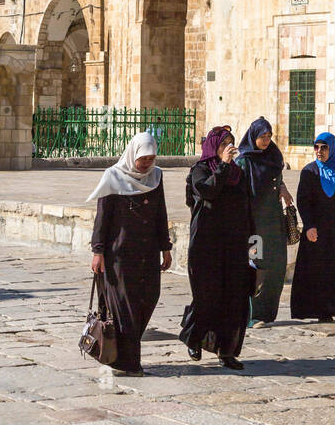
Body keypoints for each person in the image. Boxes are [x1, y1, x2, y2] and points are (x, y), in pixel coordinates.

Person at [89, 131, 172, 377]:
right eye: (143, 158)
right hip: (119, 255)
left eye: (151, 158)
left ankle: (122, 354)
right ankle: (128, 363)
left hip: (146, 252)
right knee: (125, 308)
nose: (147, 163)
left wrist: (165, 247)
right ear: (133, 154)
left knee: (148, 298)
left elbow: (160, 213)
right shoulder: (113, 177)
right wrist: (98, 251)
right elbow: (102, 219)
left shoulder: (156, 177)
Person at [179, 125, 253, 370]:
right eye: (223, 144)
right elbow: (207, 191)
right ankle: (193, 337)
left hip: (235, 244)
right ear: (214, 147)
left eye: (230, 143)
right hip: (206, 245)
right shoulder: (199, 170)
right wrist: (222, 165)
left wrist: (255, 248)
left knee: (235, 299)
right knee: (207, 297)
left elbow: (247, 208)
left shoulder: (238, 174)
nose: (228, 148)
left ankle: (227, 351)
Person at [290, 132, 335, 323]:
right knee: (321, 270)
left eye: (324, 147)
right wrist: (309, 226)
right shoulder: (310, 171)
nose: (319, 151)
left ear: (332, 148)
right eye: (316, 147)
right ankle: (323, 311)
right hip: (320, 230)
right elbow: (303, 201)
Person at [236, 117, 294, 327]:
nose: (266, 140)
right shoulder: (244, 162)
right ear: (253, 137)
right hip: (253, 226)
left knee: (276, 266)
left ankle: (268, 313)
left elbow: (275, 178)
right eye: (262, 137)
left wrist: (283, 187)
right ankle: (252, 315)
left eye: (269, 136)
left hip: (273, 222)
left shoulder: (273, 156)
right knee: (256, 267)